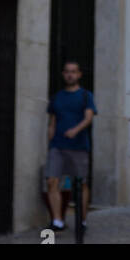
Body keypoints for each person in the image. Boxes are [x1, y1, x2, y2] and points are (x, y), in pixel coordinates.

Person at [46, 60, 97, 231]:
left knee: (81, 183)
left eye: (73, 71)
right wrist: (50, 138)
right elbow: (52, 121)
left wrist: (75, 130)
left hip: (79, 146)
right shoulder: (57, 97)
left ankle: (82, 221)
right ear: (63, 74)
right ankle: (58, 220)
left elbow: (89, 118)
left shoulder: (85, 95)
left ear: (79, 74)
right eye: (67, 71)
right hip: (57, 146)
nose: (70, 74)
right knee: (52, 181)